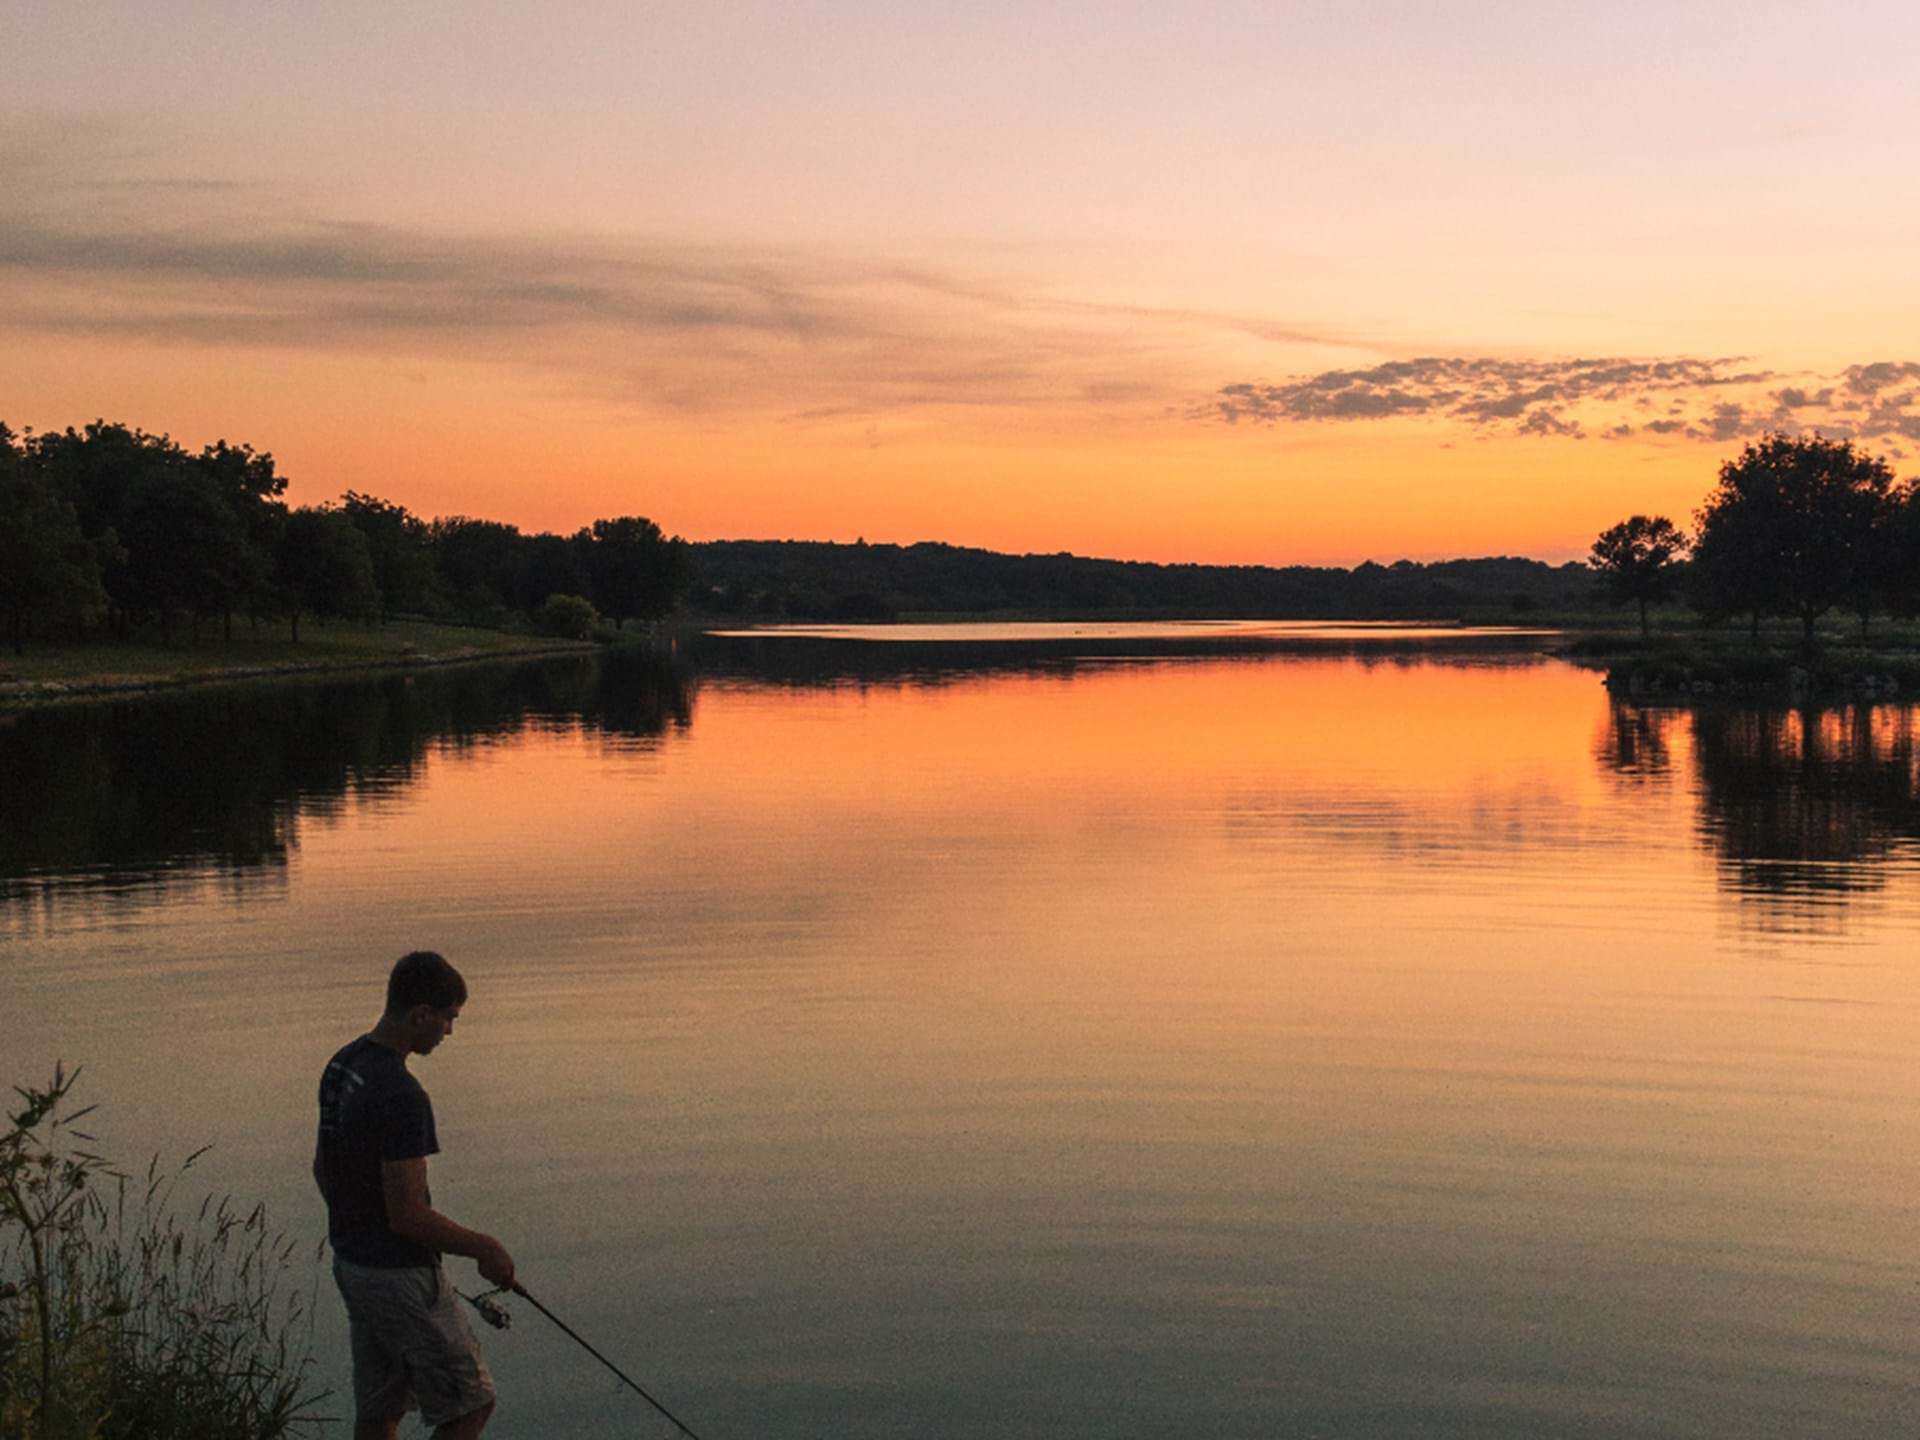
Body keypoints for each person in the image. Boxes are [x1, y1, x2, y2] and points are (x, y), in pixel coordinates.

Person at [314, 950, 516, 1440]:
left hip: (354, 1266)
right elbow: (408, 1216)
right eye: (448, 1019)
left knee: (382, 1408)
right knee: (469, 1406)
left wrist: (356, 1228)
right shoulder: (402, 1096)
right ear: (421, 1014)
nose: (448, 1032)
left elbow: (323, 1168)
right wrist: (485, 1247)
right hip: (397, 1276)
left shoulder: (344, 1065)